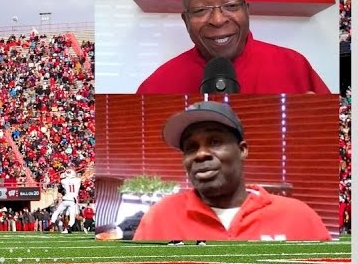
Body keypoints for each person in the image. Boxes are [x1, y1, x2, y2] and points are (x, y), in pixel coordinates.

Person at [133, 101, 332, 241]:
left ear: (242, 150)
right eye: (191, 147)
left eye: (215, 142)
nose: (200, 154)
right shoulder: (159, 219)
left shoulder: (299, 217)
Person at [136, 0, 329, 94]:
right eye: (201, 10)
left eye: (231, 5)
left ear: (247, 11)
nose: (218, 20)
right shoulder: (155, 86)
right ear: (186, 21)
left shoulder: (294, 66)